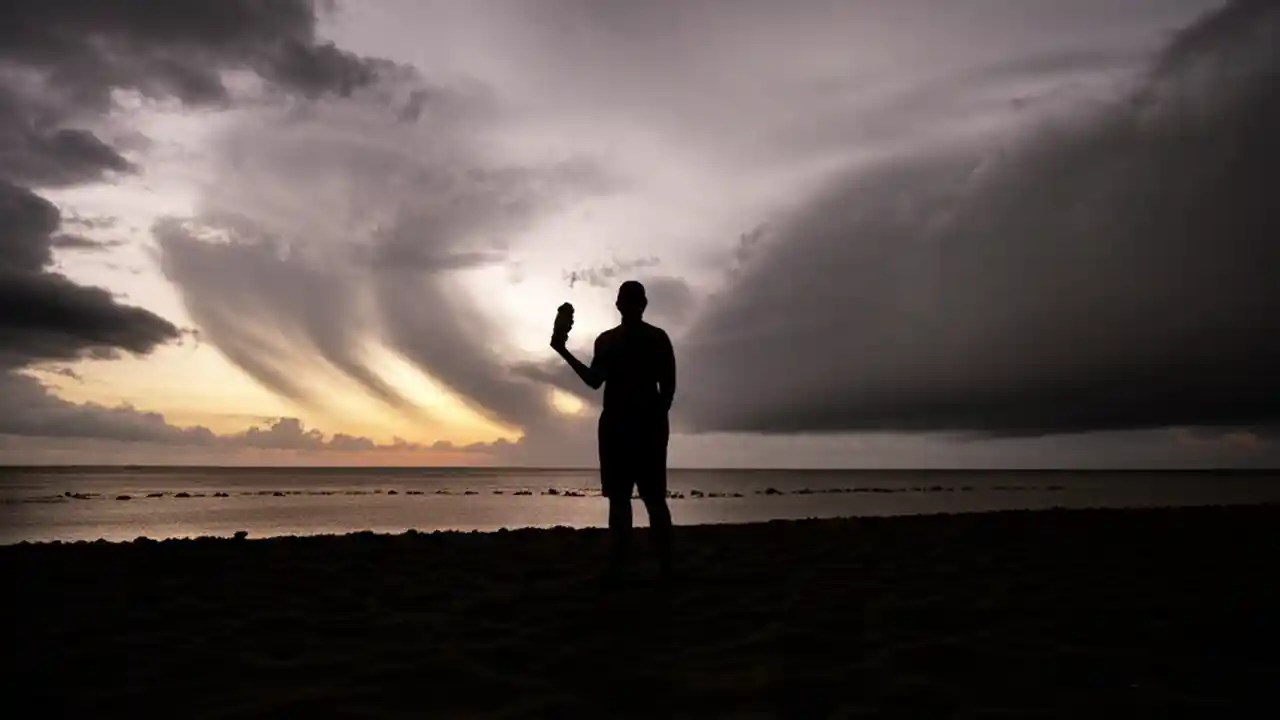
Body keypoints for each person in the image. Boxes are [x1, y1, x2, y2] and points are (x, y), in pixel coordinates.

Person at [551, 280, 676, 584]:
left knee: (629, 500)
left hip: (624, 426)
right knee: (650, 499)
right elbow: (668, 390)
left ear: (619, 305)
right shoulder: (654, 338)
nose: (630, 306)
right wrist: (656, 421)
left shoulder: (612, 341)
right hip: (640, 426)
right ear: (639, 304)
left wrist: (562, 350)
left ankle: (628, 567)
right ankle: (661, 567)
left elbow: (594, 381)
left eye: (630, 302)